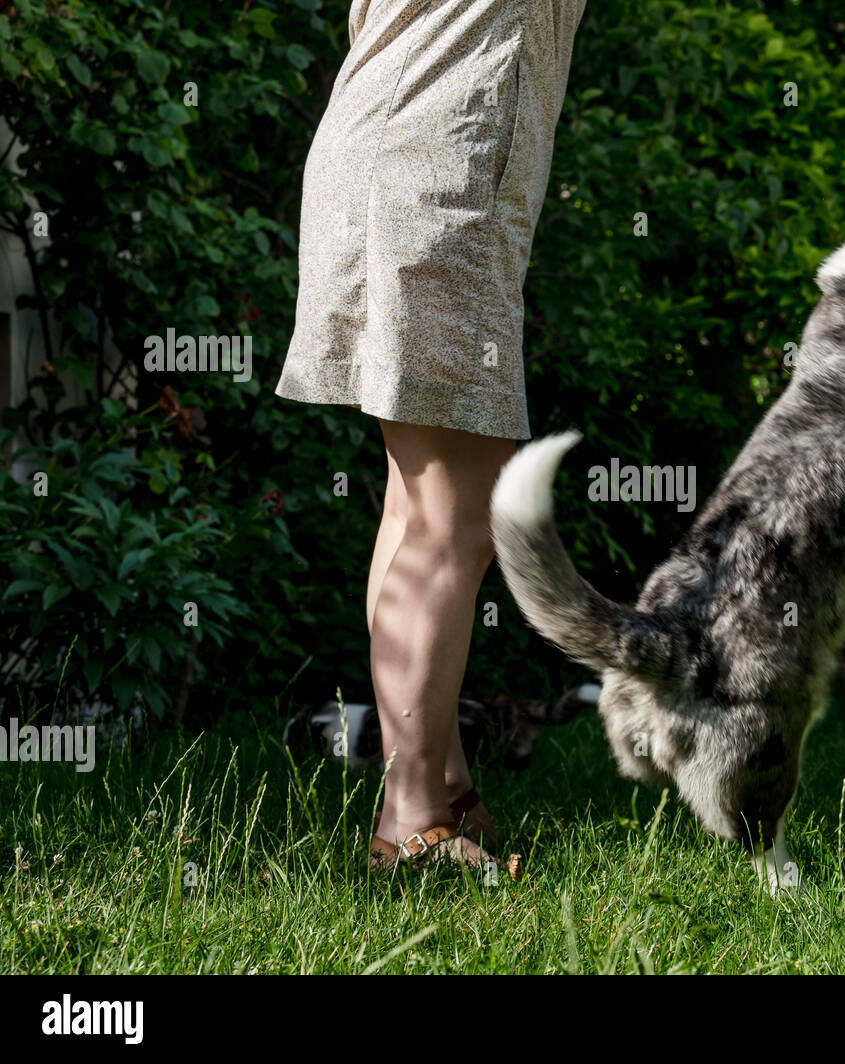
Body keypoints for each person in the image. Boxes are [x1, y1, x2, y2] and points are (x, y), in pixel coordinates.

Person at [275, 0, 587, 873]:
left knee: (417, 509)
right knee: (456, 523)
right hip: (438, 175)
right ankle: (412, 820)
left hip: (394, 151)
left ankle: (439, 781)